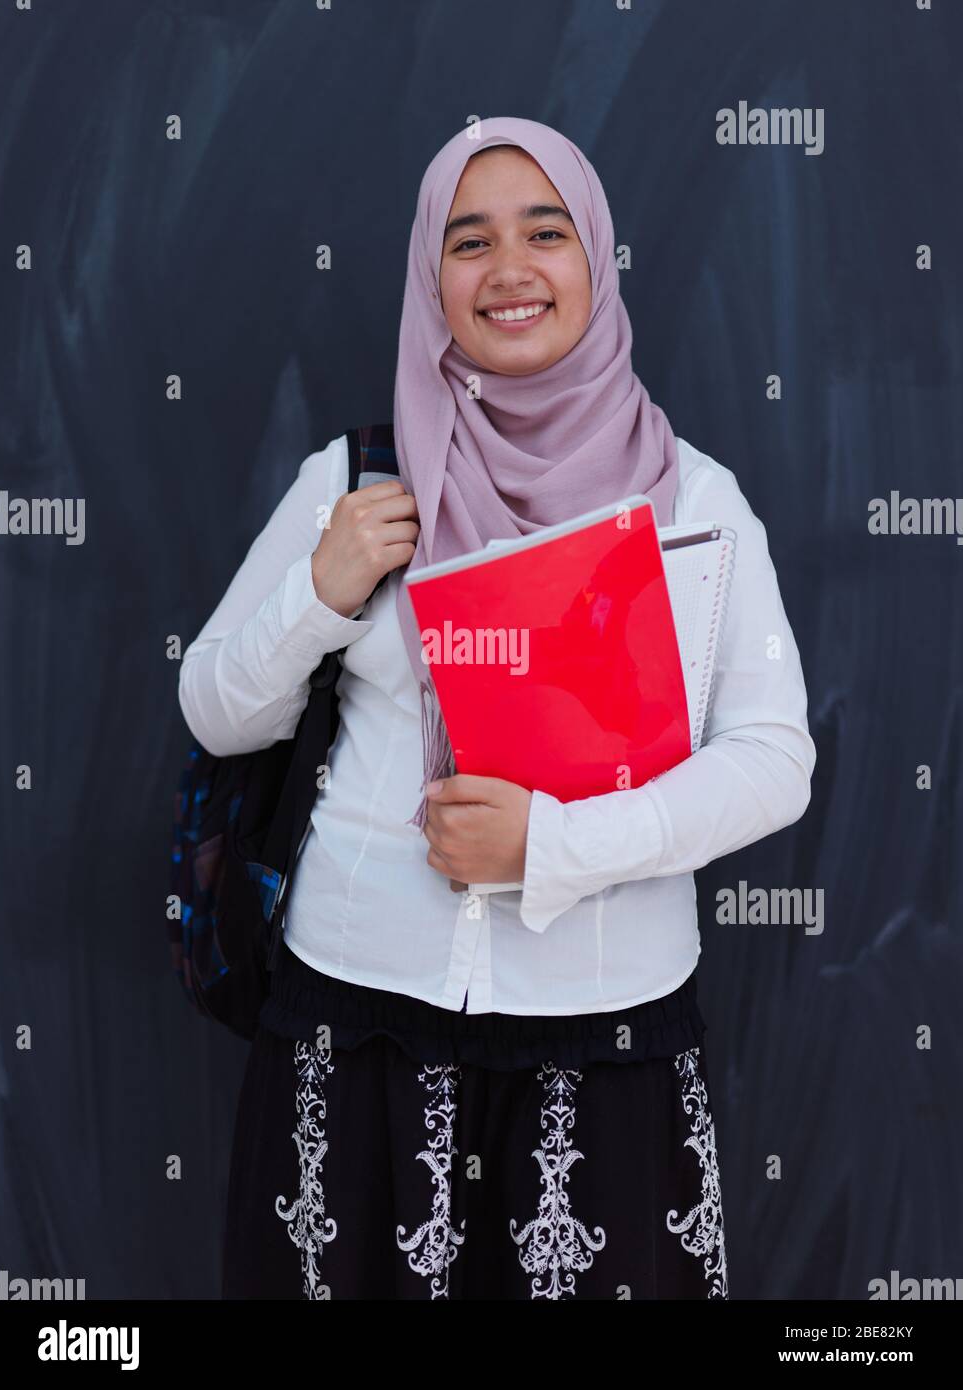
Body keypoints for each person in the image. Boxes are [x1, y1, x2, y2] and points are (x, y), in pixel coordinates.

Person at [178, 116, 816, 1301]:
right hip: (352, 1030)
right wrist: (318, 597)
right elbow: (215, 710)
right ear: (433, 278)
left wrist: (554, 848)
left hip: (601, 1035)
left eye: (546, 232)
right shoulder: (358, 478)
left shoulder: (697, 503)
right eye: (468, 241)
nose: (509, 270)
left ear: (598, 259)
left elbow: (775, 758)